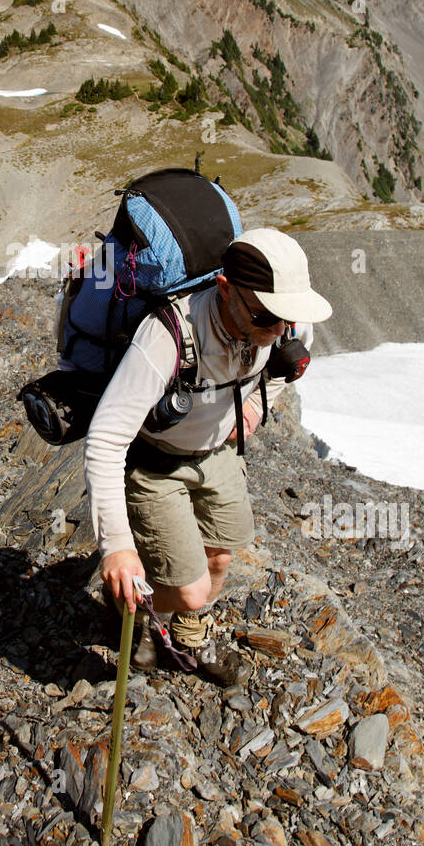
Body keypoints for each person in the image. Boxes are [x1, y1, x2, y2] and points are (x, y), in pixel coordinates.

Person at [85, 228, 332, 682]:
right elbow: (104, 439)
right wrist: (117, 548)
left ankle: (188, 636)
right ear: (224, 289)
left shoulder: (286, 317)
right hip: (158, 461)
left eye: (285, 319)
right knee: (195, 589)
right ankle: (131, 610)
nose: (278, 330)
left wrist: (257, 405)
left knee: (220, 556)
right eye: (266, 319)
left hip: (218, 451)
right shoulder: (165, 335)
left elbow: (294, 354)